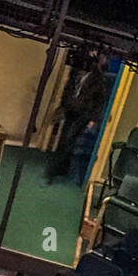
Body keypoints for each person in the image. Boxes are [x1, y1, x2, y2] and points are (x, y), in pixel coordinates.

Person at [47, 51, 109, 183]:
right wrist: (63, 105)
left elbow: (100, 101)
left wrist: (93, 119)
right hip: (71, 109)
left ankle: (58, 168)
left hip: (84, 113)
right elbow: (69, 89)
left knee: (69, 138)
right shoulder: (75, 73)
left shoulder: (98, 79)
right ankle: (62, 166)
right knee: (66, 137)